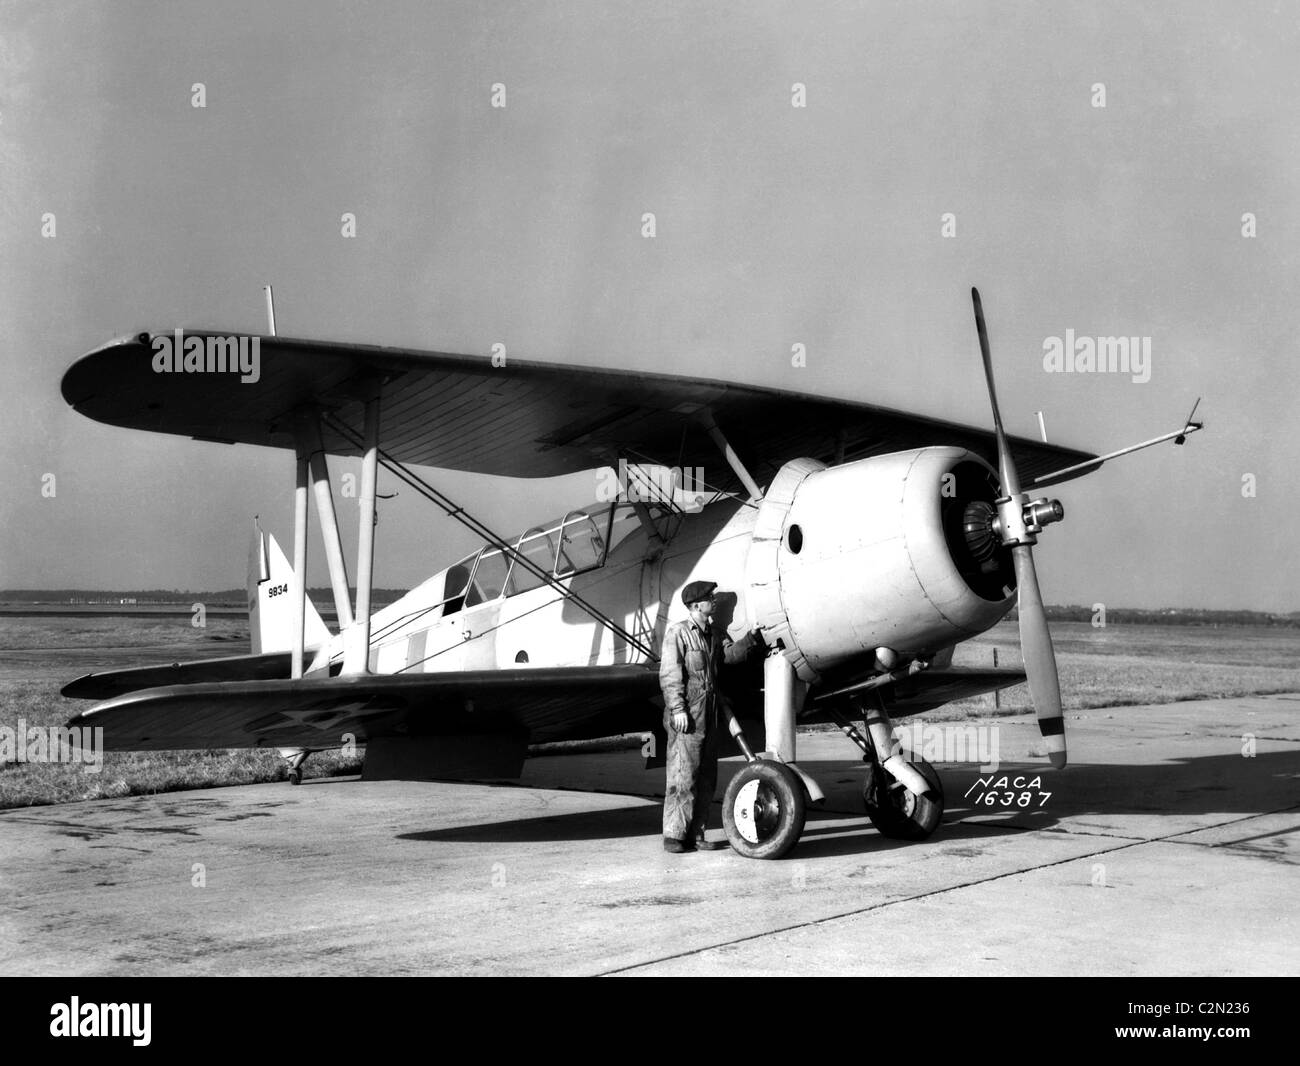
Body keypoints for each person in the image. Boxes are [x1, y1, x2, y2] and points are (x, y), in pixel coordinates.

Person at [658, 579, 758, 853]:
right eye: (709, 597)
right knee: (683, 775)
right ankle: (674, 836)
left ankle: (696, 834)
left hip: (710, 712)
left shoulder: (714, 634)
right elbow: (670, 674)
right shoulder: (678, 633)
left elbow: (729, 657)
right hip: (688, 713)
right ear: (695, 605)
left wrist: (752, 639)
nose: (713, 600)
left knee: (706, 777)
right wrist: (677, 709)